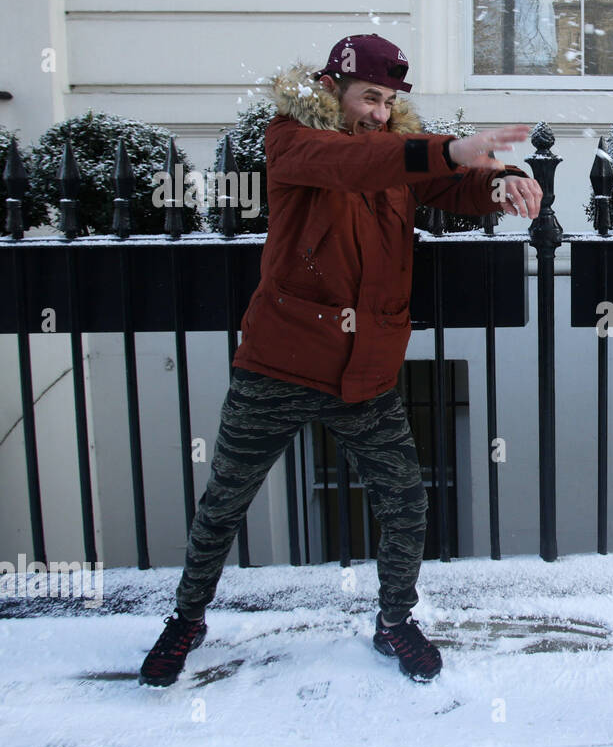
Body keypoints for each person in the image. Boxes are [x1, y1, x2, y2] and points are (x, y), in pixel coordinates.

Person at [140, 34, 542, 686]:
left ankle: (393, 622)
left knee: (407, 500)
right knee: (225, 502)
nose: (380, 113)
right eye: (369, 97)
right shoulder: (292, 139)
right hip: (278, 363)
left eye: (388, 101)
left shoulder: (396, 156)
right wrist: (442, 150)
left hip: (365, 374)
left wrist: (503, 185)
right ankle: (187, 618)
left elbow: (448, 184)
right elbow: (355, 164)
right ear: (334, 89)